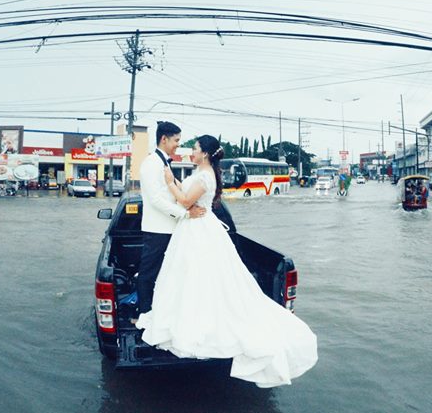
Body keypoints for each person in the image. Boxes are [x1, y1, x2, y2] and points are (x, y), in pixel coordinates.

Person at [137, 134, 318, 388]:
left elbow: (186, 201)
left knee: (201, 276)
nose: (191, 151)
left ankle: (200, 323)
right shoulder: (201, 172)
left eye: (196, 148)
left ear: (206, 154)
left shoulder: (205, 175)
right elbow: (187, 196)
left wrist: (169, 183)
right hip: (194, 228)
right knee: (190, 277)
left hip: (199, 229)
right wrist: (176, 183)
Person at [135, 121, 206, 324]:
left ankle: (163, 313)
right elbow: (156, 200)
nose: (177, 144)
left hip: (171, 229)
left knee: (168, 274)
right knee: (148, 274)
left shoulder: (164, 163)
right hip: (157, 229)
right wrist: (185, 214)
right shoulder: (151, 163)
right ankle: (145, 315)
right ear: (164, 139)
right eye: (176, 140)